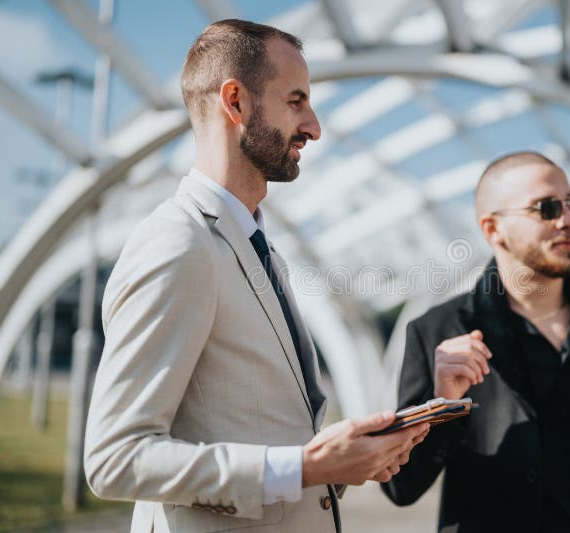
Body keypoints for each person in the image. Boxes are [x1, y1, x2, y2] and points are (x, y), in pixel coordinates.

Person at [84, 20, 428, 533]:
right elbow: (115, 458)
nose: (313, 127)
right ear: (236, 103)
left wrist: (345, 460)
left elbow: (268, 432)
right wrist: (307, 466)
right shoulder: (178, 244)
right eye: (296, 102)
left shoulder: (259, 250)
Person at [382, 152, 570, 532]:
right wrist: (444, 405)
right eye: (547, 208)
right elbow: (401, 485)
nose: (568, 220)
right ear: (493, 229)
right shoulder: (438, 331)